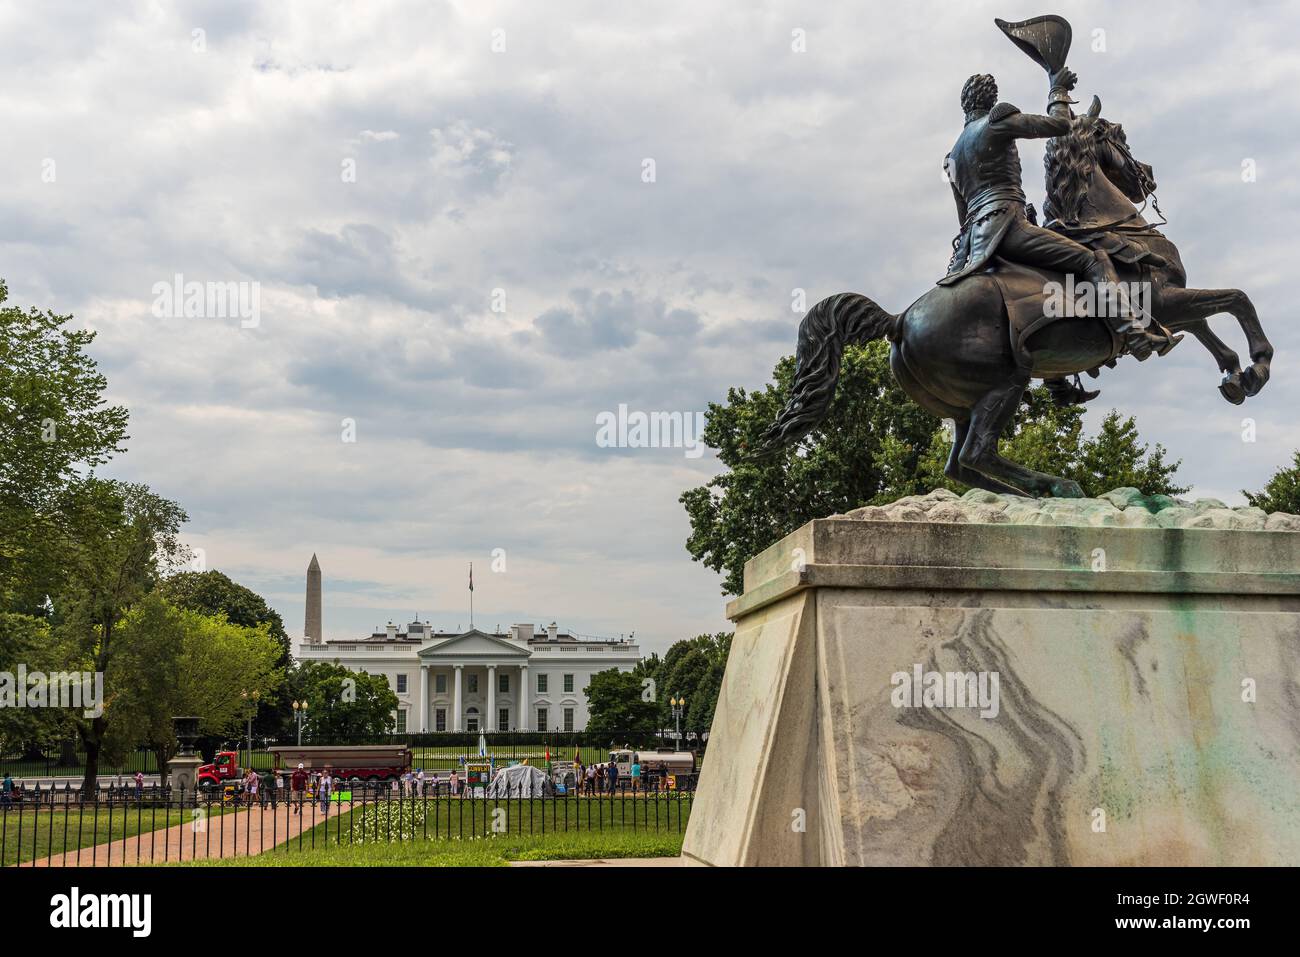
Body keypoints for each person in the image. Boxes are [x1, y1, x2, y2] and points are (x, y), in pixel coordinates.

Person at [939, 68, 1174, 361]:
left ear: (965, 104)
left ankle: (1057, 381)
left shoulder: (951, 158)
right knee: (1092, 259)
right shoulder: (997, 121)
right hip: (1010, 226)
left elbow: (965, 217)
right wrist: (1058, 90)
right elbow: (1059, 126)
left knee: (1043, 287)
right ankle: (1133, 332)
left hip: (974, 245)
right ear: (991, 98)